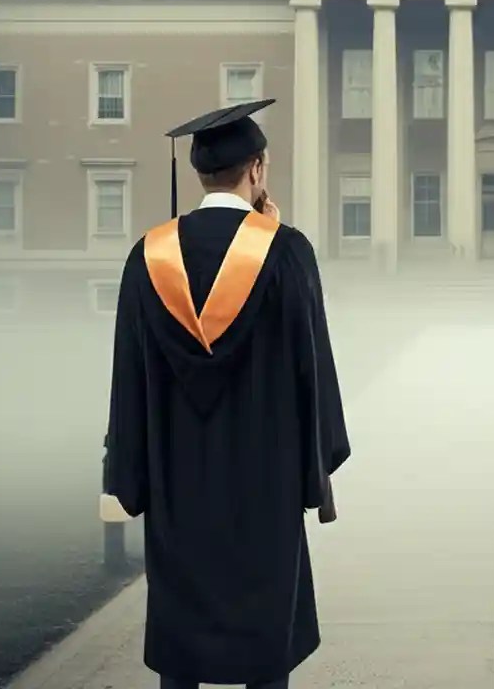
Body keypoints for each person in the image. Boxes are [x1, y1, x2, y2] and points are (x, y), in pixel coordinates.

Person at [101, 98, 349, 689]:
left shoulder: (149, 256)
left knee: (182, 639)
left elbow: (127, 380)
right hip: (268, 487)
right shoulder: (286, 251)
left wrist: (127, 476)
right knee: (266, 645)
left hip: (177, 488)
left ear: (199, 173)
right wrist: (318, 468)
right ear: (257, 169)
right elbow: (312, 370)